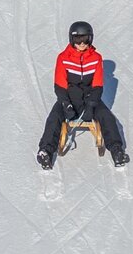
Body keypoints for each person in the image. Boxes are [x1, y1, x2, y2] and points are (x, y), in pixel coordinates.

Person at [38, 20, 128, 169]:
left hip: (89, 98)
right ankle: (45, 152)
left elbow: (98, 84)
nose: (82, 43)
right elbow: (60, 85)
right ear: (72, 39)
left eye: (85, 39)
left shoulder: (96, 58)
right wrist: (66, 103)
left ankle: (117, 151)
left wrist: (91, 105)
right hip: (69, 97)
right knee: (54, 118)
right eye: (78, 39)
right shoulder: (63, 58)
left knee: (106, 116)